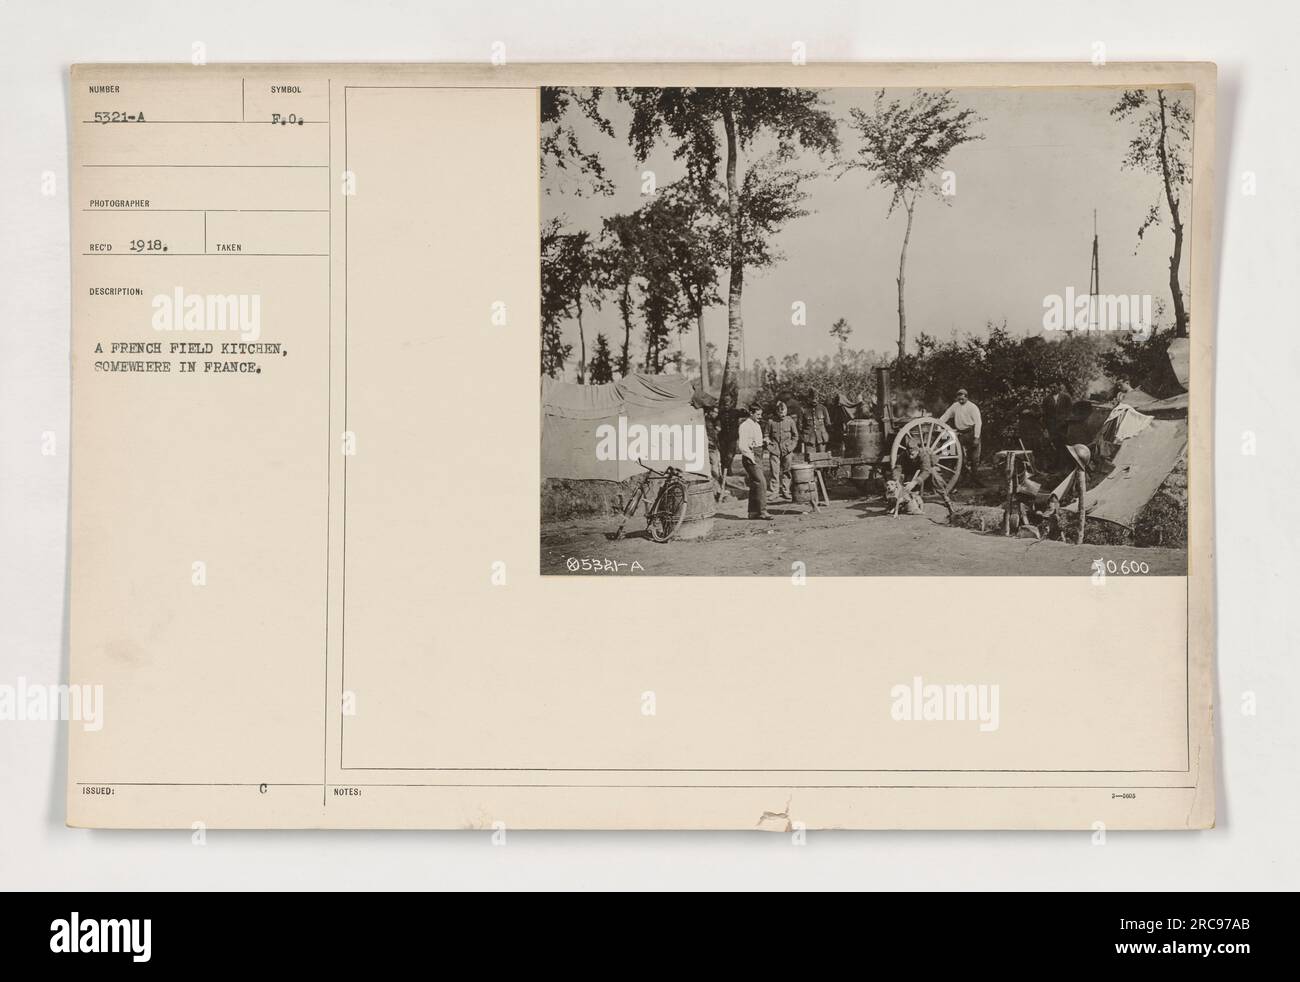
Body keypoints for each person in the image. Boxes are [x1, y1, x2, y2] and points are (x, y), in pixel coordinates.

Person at [939, 388, 982, 486]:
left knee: (974, 458)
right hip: (961, 434)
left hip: (972, 433)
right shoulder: (955, 406)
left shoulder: (972, 407)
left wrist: (976, 437)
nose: (961, 400)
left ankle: (975, 479)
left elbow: (978, 422)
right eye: (959, 399)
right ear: (957, 398)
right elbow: (946, 415)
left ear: (967, 397)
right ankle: (964, 477)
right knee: (959, 456)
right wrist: (938, 423)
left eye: (962, 398)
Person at [737, 404, 771, 520]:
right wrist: (750, 457)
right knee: (761, 482)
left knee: (755, 483)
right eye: (757, 414)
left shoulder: (756, 425)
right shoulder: (744, 426)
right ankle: (762, 511)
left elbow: (755, 441)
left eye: (761, 414)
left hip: (758, 454)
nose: (760, 417)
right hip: (750, 456)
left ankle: (752, 512)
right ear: (751, 413)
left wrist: (764, 441)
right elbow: (742, 445)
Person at [765, 400, 799, 500]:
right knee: (774, 472)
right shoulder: (771, 422)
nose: (782, 414)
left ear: (786, 411)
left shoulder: (790, 421)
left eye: (784, 412)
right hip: (775, 450)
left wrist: (790, 447)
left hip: (787, 450)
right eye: (780, 412)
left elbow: (795, 436)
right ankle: (774, 491)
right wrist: (770, 448)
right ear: (777, 411)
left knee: (787, 471)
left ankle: (786, 491)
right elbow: (766, 435)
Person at [797, 389, 830, 455]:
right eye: (812, 398)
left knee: (822, 459)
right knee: (810, 460)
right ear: (808, 399)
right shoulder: (803, 410)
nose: (814, 400)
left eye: (816, 398)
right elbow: (799, 426)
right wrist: (804, 437)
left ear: (818, 398)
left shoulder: (823, 408)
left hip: (821, 439)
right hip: (809, 440)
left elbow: (828, 424)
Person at [703, 406, 724, 501]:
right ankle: (716, 491)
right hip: (710, 448)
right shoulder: (704, 421)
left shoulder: (713, 421)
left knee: (718, 468)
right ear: (710, 412)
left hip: (715, 447)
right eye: (714, 412)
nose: (716, 414)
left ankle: (718, 490)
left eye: (717, 413)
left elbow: (714, 434)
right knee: (714, 470)